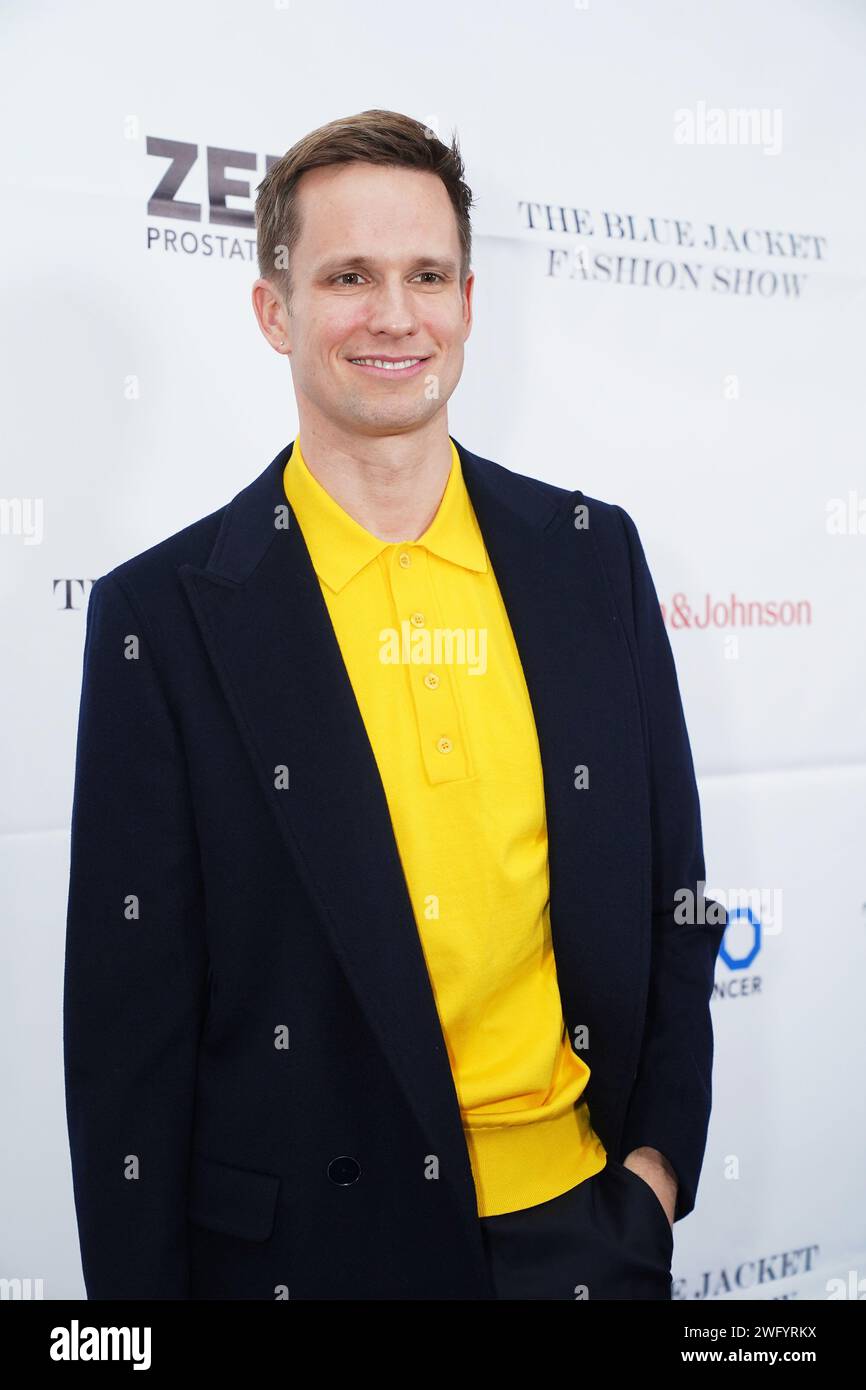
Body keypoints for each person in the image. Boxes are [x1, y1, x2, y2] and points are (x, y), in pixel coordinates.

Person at [63, 108, 727, 1300]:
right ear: (274, 311)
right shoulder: (162, 619)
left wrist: (652, 1178)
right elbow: (129, 1036)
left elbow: (673, 896)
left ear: (469, 302)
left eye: (426, 274)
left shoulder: (589, 558)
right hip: (304, 1264)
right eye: (347, 276)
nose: (393, 314)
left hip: (584, 1237)